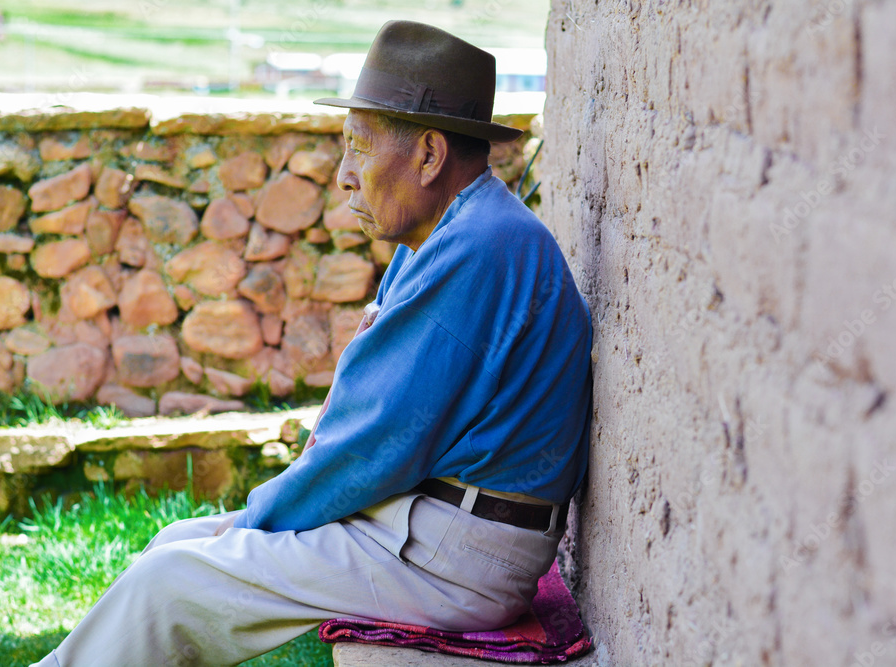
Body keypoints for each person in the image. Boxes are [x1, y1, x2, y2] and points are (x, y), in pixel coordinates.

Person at [32, 20, 592, 667]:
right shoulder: (462, 231)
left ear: (430, 155)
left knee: (170, 585)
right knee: (175, 543)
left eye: (359, 147)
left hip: (454, 558)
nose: (345, 177)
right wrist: (249, 522)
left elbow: (369, 445)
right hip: (429, 527)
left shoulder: (478, 248)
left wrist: (254, 520)